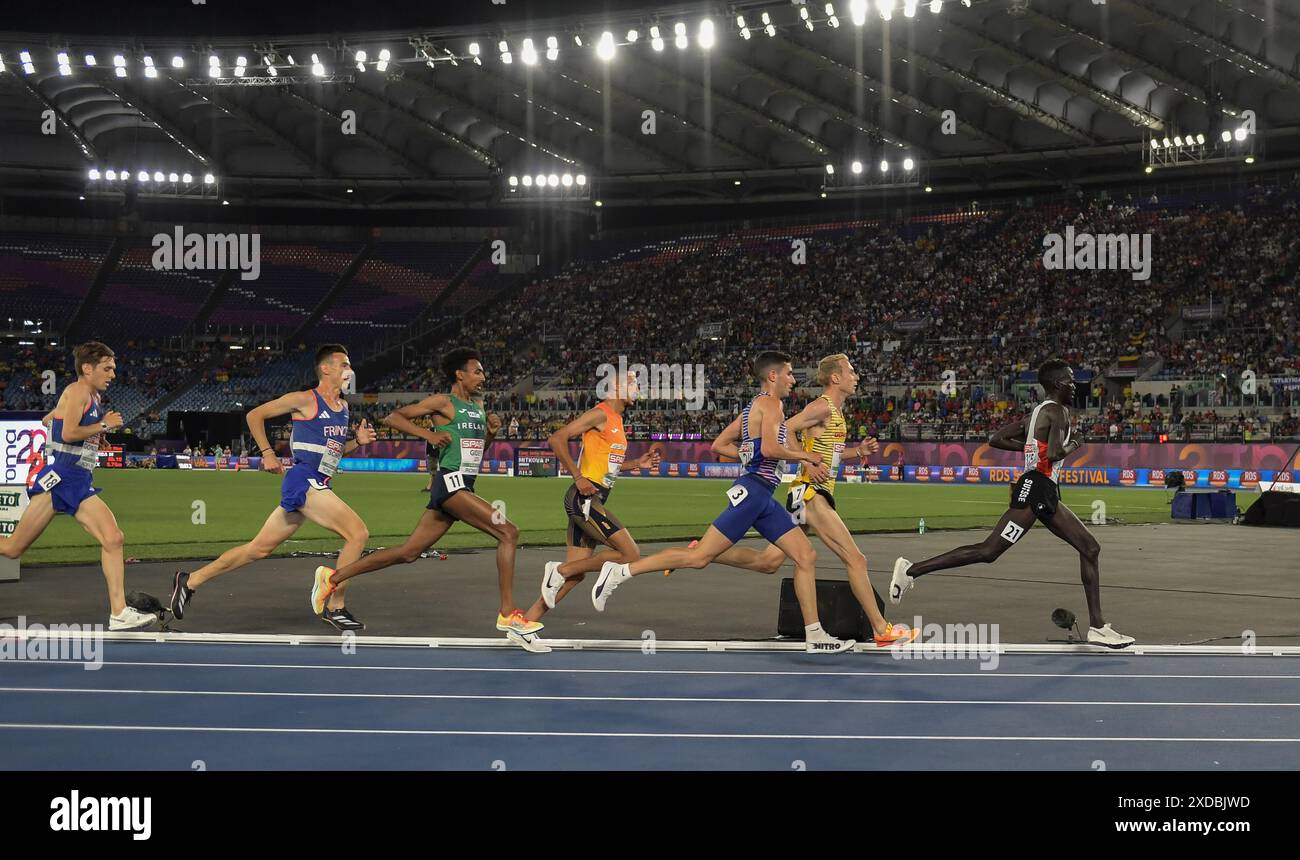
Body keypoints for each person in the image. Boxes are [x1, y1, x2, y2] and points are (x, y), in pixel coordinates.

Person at [587, 351, 858, 654]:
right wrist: (804, 456)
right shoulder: (771, 404)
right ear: (773, 376)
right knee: (699, 557)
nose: (793, 380)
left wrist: (751, 456)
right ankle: (621, 572)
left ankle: (814, 634)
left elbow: (720, 445)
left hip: (762, 495)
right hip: (754, 493)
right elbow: (770, 447)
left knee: (805, 556)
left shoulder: (752, 408)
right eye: (790, 374)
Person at [310, 347, 546, 650]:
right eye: (477, 371)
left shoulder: (477, 407)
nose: (482, 376)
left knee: (408, 552)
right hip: (450, 483)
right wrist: (429, 436)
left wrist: (491, 434)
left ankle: (332, 578)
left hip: (464, 484)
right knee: (508, 532)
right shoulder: (443, 402)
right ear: (459, 374)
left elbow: (475, 454)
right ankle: (508, 614)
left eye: (483, 372)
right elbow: (393, 417)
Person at [889, 359, 1134, 648]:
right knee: (989, 550)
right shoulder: (1058, 411)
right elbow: (1055, 453)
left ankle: (1097, 626)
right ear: (1057, 384)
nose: (1075, 385)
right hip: (1037, 488)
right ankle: (909, 570)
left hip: (1040, 487)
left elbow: (997, 438)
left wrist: (1030, 447)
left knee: (1088, 547)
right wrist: (1076, 444)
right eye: (1070, 380)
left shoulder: (1036, 414)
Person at [700, 354, 916, 647]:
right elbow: (785, 428)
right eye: (851, 371)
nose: (857, 377)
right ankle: (882, 629)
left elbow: (829, 455)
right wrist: (806, 461)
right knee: (855, 558)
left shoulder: (836, 413)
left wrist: (858, 452)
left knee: (769, 561)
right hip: (811, 495)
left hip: (807, 494)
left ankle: (706, 551)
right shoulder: (821, 407)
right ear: (836, 378)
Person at [168, 344, 375, 630]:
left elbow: (332, 454)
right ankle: (335, 605)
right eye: (344, 364)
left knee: (257, 549)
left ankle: (189, 581)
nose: (349, 370)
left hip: (319, 480)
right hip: (303, 480)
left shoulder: (343, 409)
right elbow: (255, 415)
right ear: (325, 368)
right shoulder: (304, 399)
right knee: (358, 533)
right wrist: (267, 453)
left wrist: (356, 443)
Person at [0, 341, 155, 629]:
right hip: (64, 477)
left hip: (74, 478)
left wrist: (94, 437)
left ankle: (119, 612)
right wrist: (103, 426)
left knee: (14, 549)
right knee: (13, 548)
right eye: (107, 368)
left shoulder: (89, 396)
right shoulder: (78, 390)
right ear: (87, 368)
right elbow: (69, 431)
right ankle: (119, 612)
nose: (112, 374)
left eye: (114, 369)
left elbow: (51, 420)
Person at [530, 371, 661, 621]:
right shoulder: (600, 413)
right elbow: (557, 439)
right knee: (630, 554)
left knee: (576, 575)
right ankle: (558, 569)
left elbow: (607, 465)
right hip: (584, 497)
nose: (637, 388)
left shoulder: (618, 421)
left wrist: (635, 463)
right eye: (631, 383)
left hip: (594, 498)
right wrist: (578, 478)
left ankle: (525, 621)